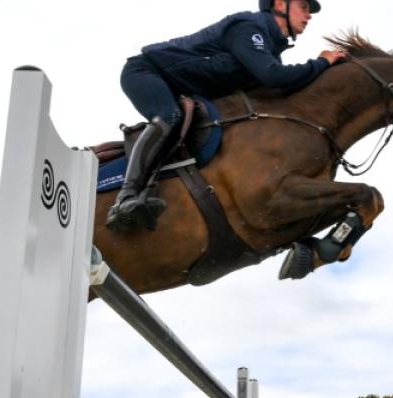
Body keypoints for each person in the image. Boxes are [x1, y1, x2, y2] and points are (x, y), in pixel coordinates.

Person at [108, 0, 348, 231]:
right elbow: (275, 77)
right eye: (304, 6)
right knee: (170, 117)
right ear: (279, 4)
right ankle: (125, 199)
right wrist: (321, 63)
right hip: (145, 71)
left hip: (180, 90)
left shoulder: (269, 50)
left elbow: (278, 90)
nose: (309, 15)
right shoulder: (249, 27)